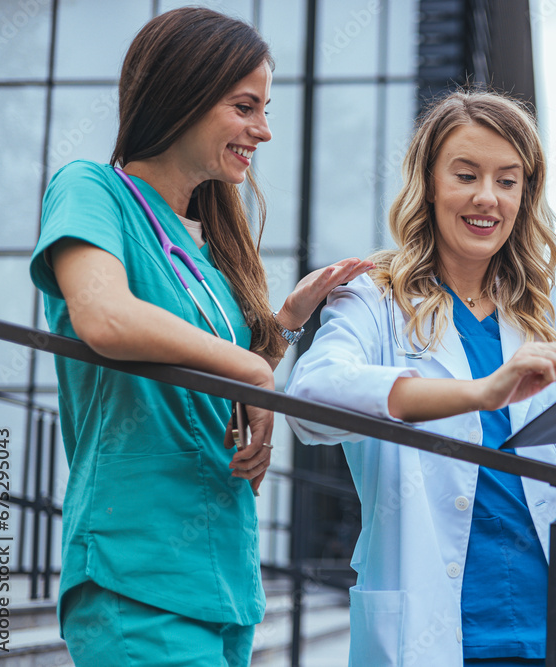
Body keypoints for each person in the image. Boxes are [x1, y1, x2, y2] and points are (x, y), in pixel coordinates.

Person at [28, 8, 372, 666]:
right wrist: (253, 369)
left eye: (266, 109)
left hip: (223, 582)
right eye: (246, 107)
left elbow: (225, 369)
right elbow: (106, 317)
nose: (264, 130)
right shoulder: (92, 188)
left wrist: (284, 325)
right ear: (181, 92)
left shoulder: (208, 252)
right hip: (135, 573)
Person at [285, 89, 556, 666]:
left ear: (526, 194)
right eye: (466, 174)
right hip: (440, 634)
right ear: (429, 182)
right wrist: (480, 393)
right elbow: (312, 405)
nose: (486, 197)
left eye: (507, 180)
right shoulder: (374, 301)